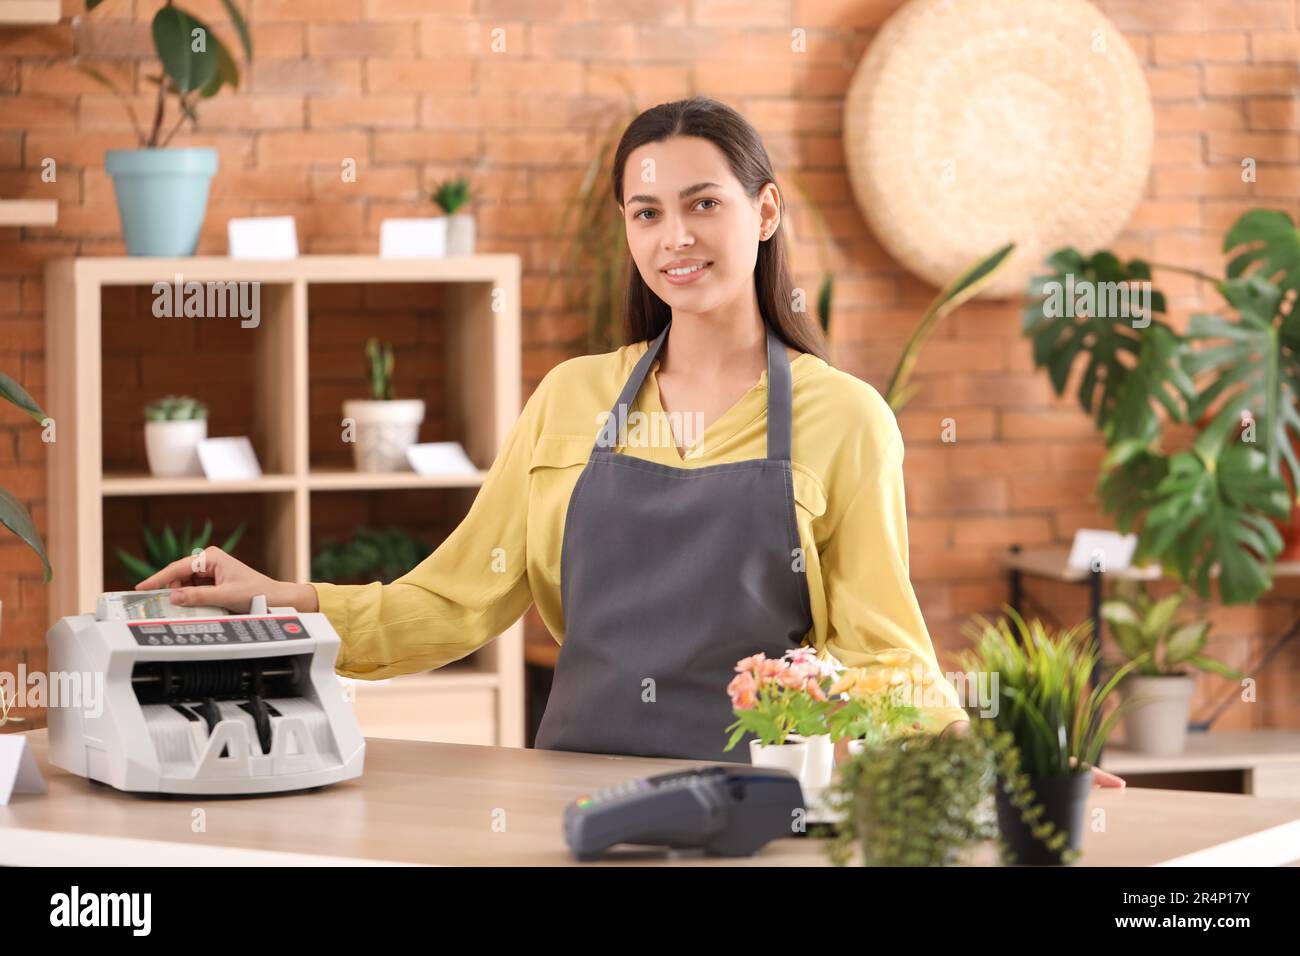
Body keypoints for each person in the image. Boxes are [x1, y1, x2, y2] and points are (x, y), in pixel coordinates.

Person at [137, 96, 1124, 784]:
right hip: (569, 794)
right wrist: (275, 603)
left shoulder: (844, 418)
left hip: (758, 806)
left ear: (764, 208)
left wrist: (1007, 763)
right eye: (647, 213)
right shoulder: (573, 398)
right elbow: (448, 602)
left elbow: (883, 650)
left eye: (704, 203)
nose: (674, 238)